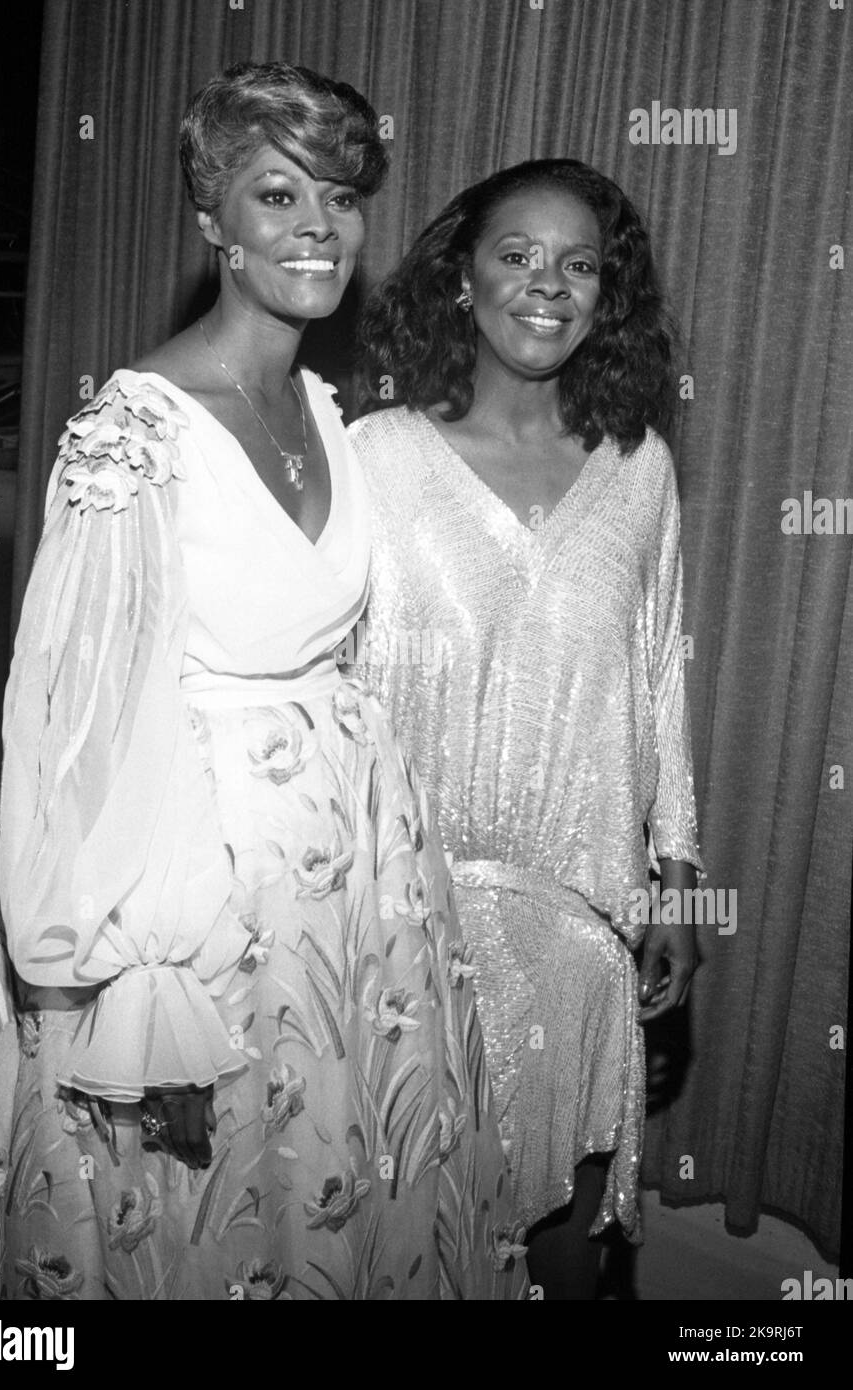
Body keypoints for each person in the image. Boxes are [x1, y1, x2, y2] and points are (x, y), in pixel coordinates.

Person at [0, 62, 524, 1302]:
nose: (319, 226)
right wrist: (141, 979)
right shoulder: (132, 431)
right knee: (190, 1213)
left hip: (350, 875)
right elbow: (75, 731)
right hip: (189, 887)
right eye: (277, 193)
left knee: (335, 1174)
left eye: (344, 196)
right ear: (213, 221)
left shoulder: (323, 402)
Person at [349, 157, 704, 1299]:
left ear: (610, 296)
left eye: (580, 263)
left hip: (580, 921)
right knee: (397, 1216)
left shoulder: (640, 468)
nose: (547, 285)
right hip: (407, 919)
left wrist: (679, 878)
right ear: (462, 276)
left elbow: (661, 677)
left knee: (563, 1233)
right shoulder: (376, 459)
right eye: (516, 255)